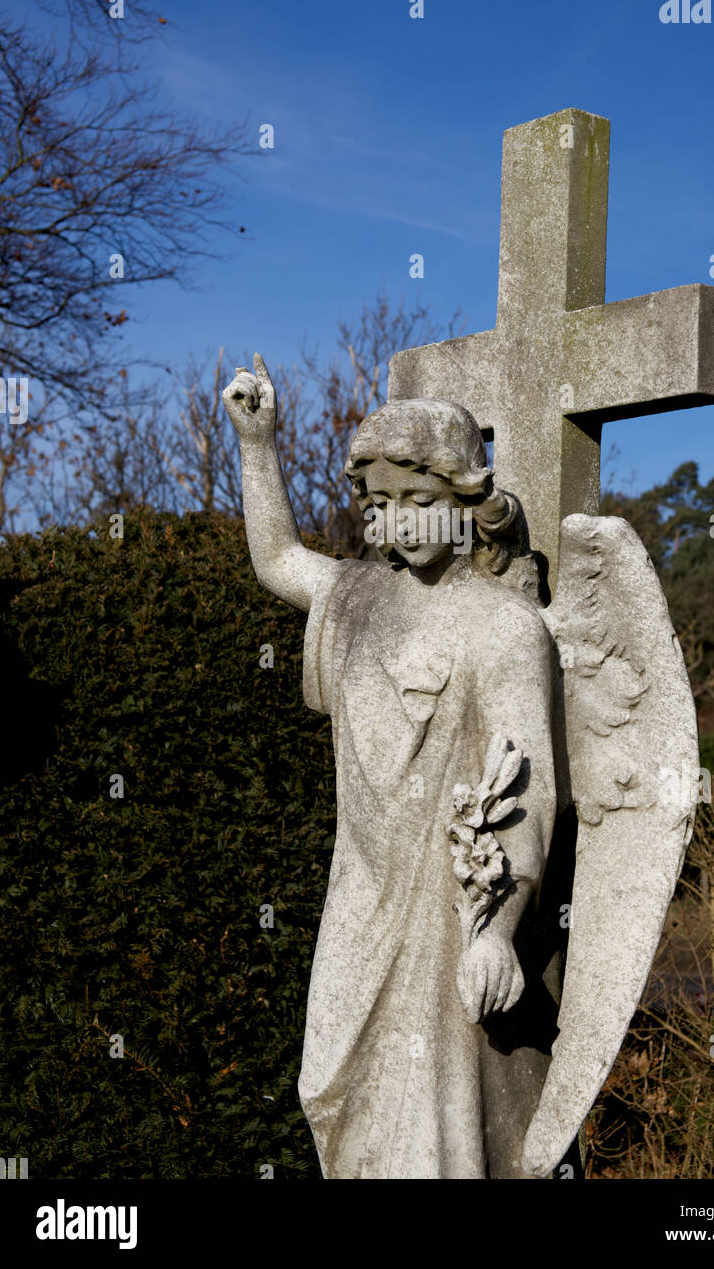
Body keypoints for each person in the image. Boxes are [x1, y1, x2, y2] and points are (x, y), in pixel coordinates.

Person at [223, 355, 562, 1179]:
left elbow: (530, 793)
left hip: (451, 914)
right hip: (362, 897)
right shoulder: (357, 602)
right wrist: (258, 446)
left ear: (467, 503)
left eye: (420, 502)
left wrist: (498, 931)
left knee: (433, 1131)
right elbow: (276, 560)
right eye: (378, 505)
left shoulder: (506, 630)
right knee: (330, 1089)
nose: (399, 524)